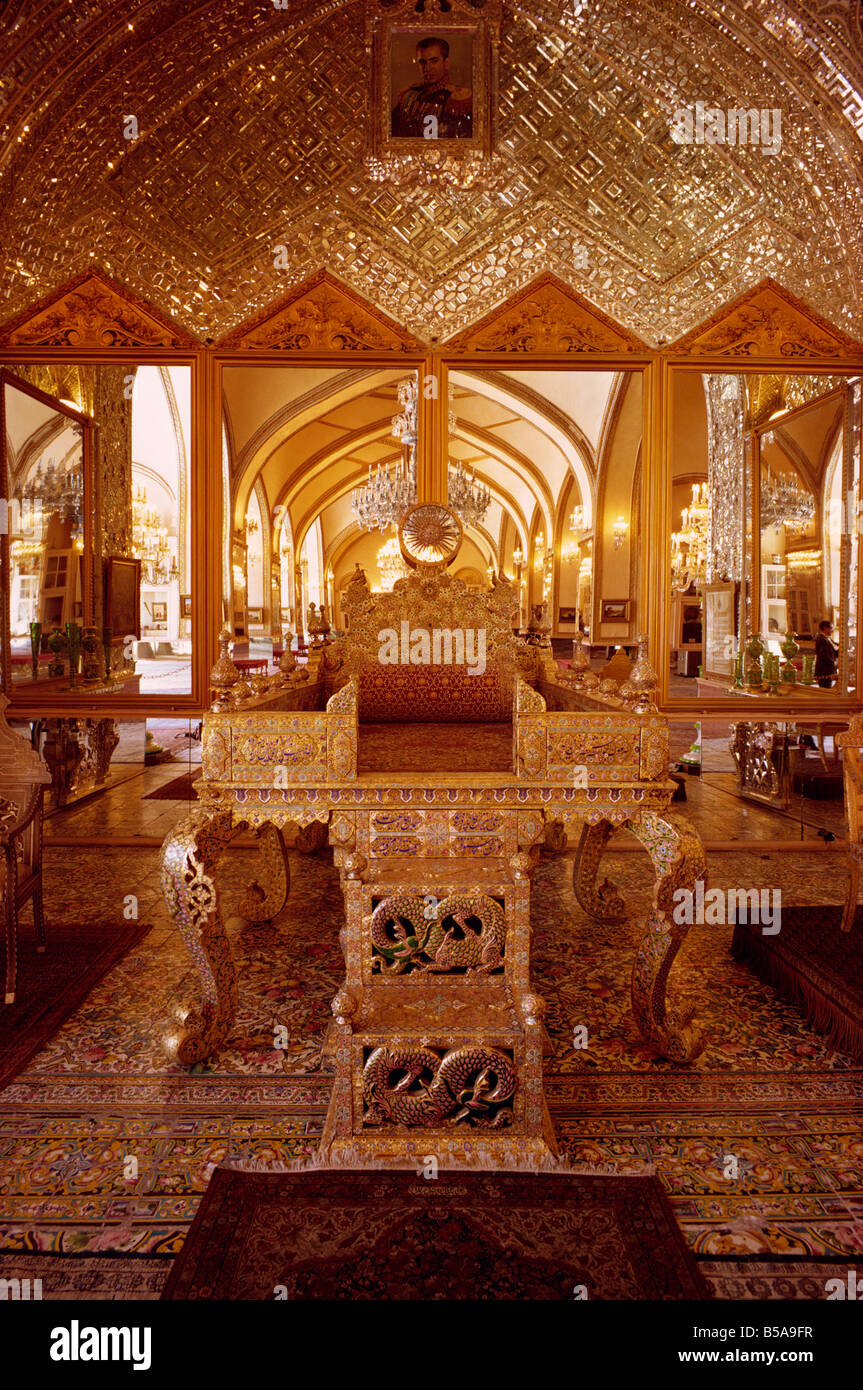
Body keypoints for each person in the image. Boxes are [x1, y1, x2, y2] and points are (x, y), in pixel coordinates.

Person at [391, 37, 473, 139]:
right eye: (422, 62)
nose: (427, 68)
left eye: (434, 61)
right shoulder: (409, 97)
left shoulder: (460, 101)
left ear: (446, 63)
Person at [815, 618, 838, 688]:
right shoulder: (822, 639)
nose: (832, 630)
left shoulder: (827, 638)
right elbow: (825, 655)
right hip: (824, 670)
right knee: (825, 689)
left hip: (828, 669)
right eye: (831, 628)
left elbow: (833, 652)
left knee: (827, 687)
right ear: (825, 628)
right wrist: (833, 664)